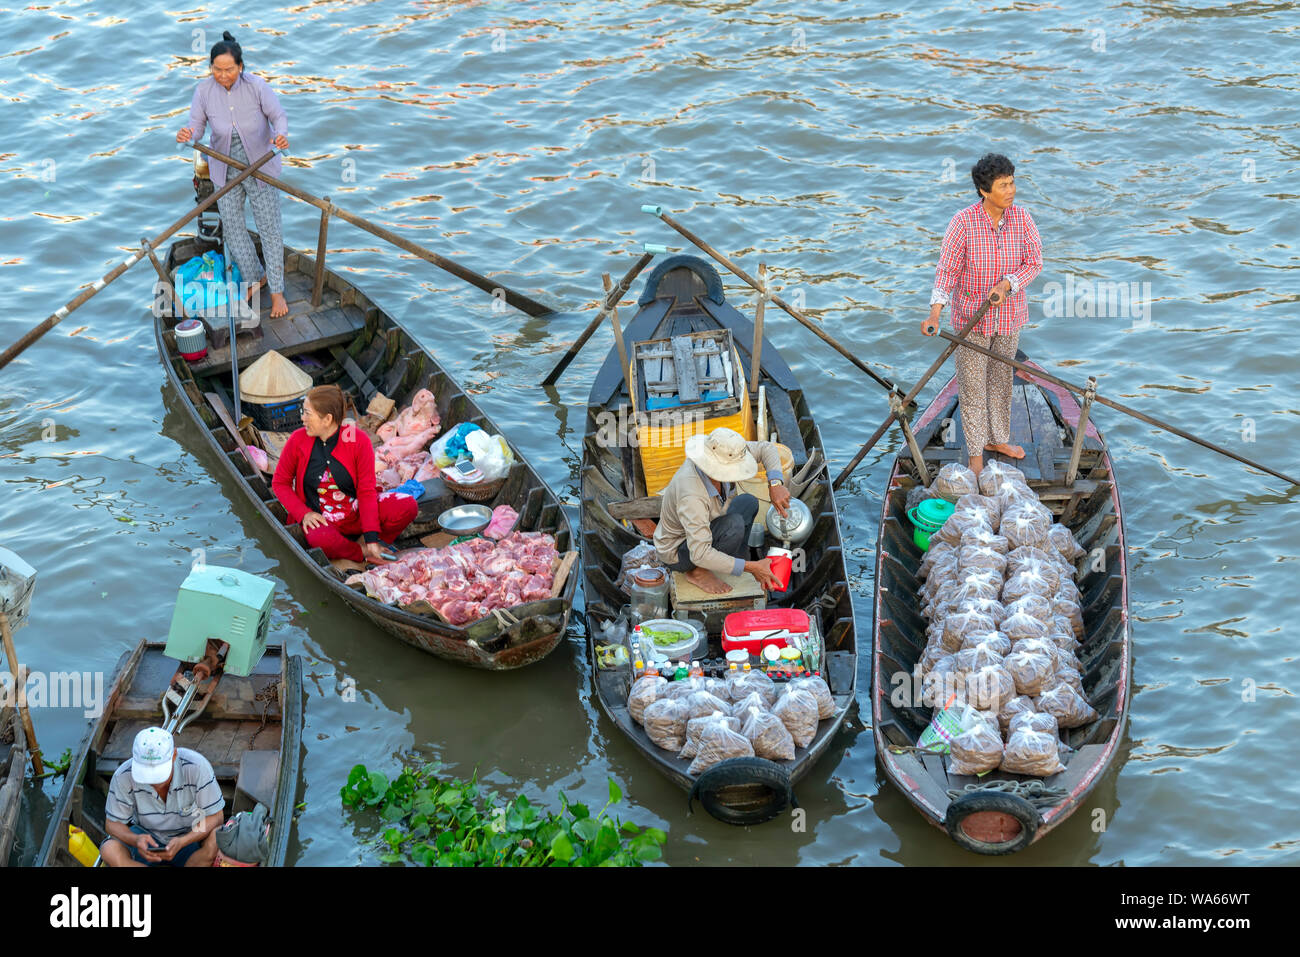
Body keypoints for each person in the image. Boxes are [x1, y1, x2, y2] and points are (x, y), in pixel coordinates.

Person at [922, 153, 1043, 478]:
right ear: (984, 191)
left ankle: (997, 440)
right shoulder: (962, 223)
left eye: (1012, 182)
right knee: (973, 388)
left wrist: (1008, 283)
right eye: (1003, 185)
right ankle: (975, 455)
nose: (1011, 190)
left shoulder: (1022, 219)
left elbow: (1035, 262)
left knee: (1002, 381)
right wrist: (935, 313)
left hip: (1008, 318)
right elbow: (946, 271)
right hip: (971, 321)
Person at [176, 31, 291, 319]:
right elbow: (197, 127)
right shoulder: (203, 91)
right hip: (223, 166)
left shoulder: (257, 86)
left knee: (269, 228)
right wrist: (189, 134)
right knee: (233, 227)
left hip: (260, 165)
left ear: (240, 67)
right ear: (210, 67)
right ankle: (256, 277)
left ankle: (277, 293)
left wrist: (280, 137)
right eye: (217, 69)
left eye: (229, 69)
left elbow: (278, 117)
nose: (223, 75)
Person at [272, 384, 418, 564]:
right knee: (321, 540)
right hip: (320, 520)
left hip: (354, 515)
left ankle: (370, 545)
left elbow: (366, 492)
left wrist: (371, 538)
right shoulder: (298, 439)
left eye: (308, 413)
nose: (303, 418)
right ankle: (360, 551)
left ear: (327, 419)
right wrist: (304, 514)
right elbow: (280, 483)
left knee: (407, 505)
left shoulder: (357, 440)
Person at [654, 427, 791, 596]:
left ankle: (736, 560)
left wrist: (775, 484)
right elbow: (699, 553)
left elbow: (766, 448)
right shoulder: (691, 495)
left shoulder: (726, 453)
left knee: (748, 502)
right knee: (734, 525)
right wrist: (751, 567)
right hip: (679, 551)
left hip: (708, 524)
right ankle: (697, 572)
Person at [100, 727, 224, 867]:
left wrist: (184, 841)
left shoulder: (197, 767)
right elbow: (112, 824)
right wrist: (136, 840)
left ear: (174, 756)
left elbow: (217, 817)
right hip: (145, 836)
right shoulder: (123, 775)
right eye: (146, 774)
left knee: (216, 837)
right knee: (108, 849)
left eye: (158, 775)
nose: (154, 783)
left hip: (189, 838)